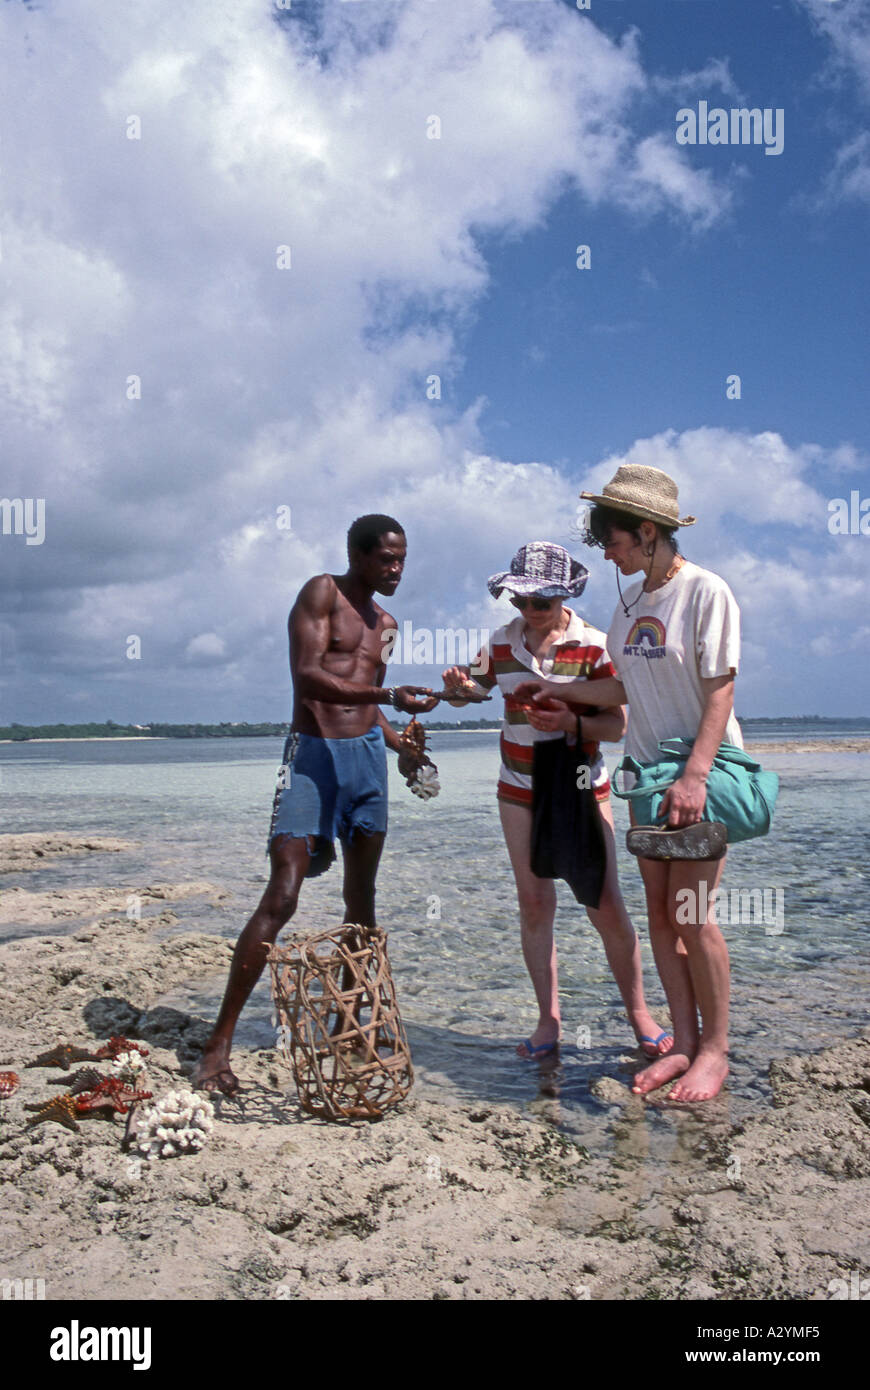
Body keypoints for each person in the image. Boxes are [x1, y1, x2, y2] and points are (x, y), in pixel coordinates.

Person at [192, 514, 438, 1094]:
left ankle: (350, 1028)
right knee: (282, 895)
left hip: (368, 763)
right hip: (311, 759)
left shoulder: (389, 623)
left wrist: (402, 744)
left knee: (362, 904)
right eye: (386, 560)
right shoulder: (321, 592)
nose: (397, 570)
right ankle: (216, 1048)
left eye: (402, 560)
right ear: (356, 555)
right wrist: (386, 693)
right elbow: (308, 678)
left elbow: (370, 705)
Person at [518, 467, 741, 1102]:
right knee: (663, 918)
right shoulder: (631, 602)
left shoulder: (704, 592)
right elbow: (623, 688)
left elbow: (721, 688)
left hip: (699, 775)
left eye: (613, 542)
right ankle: (686, 1043)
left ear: (648, 532)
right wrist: (561, 692)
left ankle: (716, 1053)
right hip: (646, 780)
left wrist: (696, 775)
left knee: (694, 918)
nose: (607, 555)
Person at [442, 541, 673, 1062]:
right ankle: (549, 1021)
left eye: (540, 603)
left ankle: (639, 1012)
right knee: (535, 902)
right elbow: (471, 692)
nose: (530, 612)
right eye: (520, 602)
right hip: (518, 788)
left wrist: (570, 721)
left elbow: (616, 725)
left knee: (605, 904)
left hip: (579, 786)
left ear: (564, 597)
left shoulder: (594, 644)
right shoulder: (500, 644)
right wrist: (456, 687)